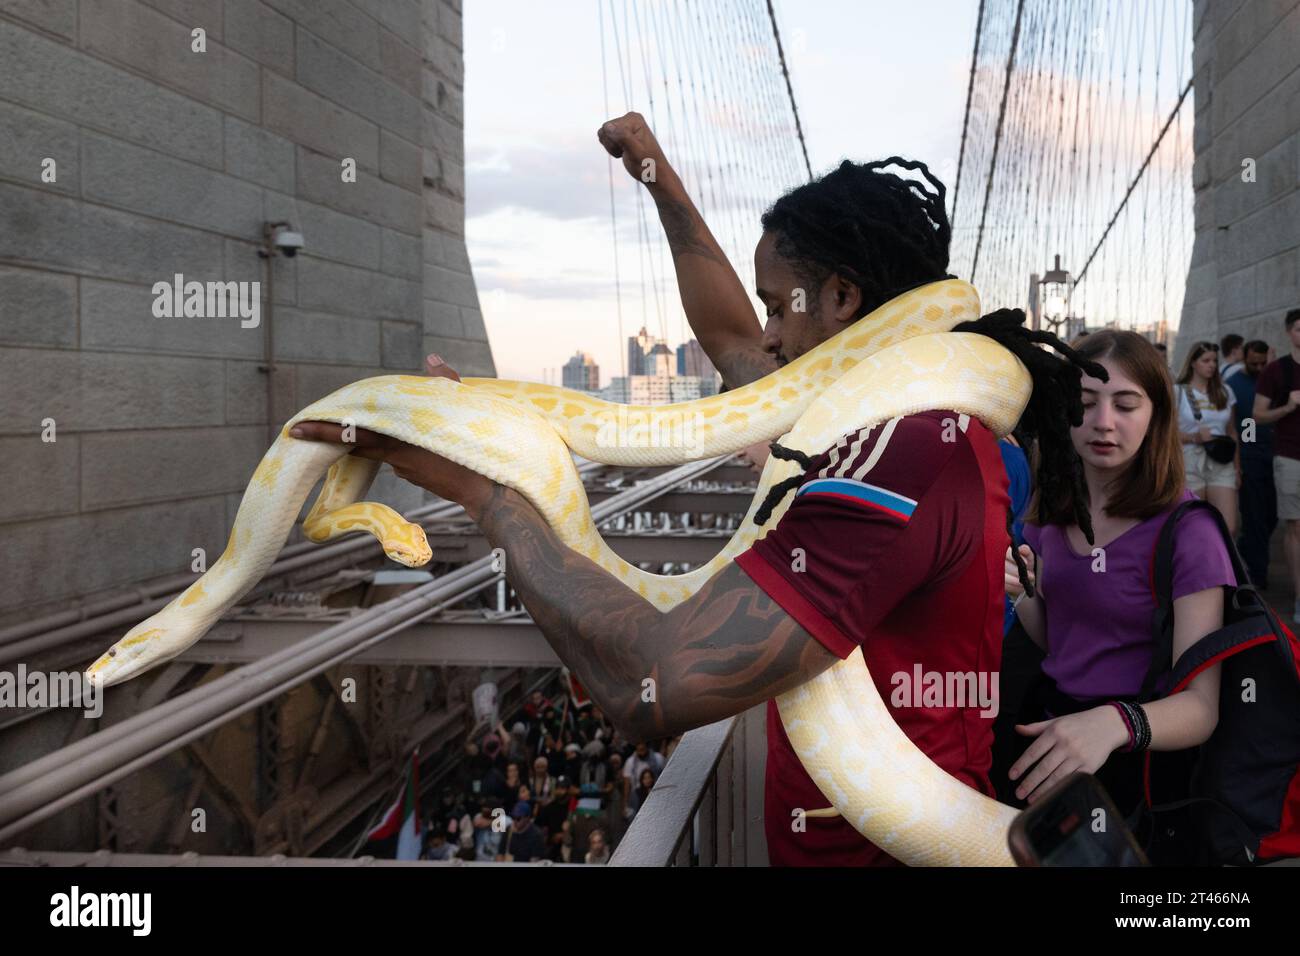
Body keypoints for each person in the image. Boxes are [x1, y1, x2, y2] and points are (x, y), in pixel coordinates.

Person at [289, 112, 1102, 865]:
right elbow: (729, 341)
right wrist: (659, 179)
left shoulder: (905, 453)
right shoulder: (844, 418)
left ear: (846, 298)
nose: (770, 334)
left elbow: (659, 683)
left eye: (779, 304)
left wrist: (490, 495)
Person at [1008, 330, 1234, 817]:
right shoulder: (1049, 513)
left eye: (1126, 404)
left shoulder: (1189, 532)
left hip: (1139, 759)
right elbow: (1062, 644)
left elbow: (1201, 707)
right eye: (1085, 402)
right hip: (1047, 732)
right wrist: (1022, 593)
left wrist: (1111, 725)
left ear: (1156, 416)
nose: (1103, 423)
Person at [1251, 308, 1300, 622]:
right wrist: (1289, 406)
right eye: (1299, 328)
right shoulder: (1276, 371)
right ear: (1288, 332)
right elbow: (1256, 417)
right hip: (1290, 456)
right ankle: (1299, 598)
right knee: (1295, 527)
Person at [1174, 341, 1240, 536]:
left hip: (1222, 460)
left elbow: (1234, 430)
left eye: (1214, 361)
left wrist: (1238, 467)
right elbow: (1164, 432)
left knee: (1228, 527)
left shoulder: (1225, 391)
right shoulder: (1177, 392)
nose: (1211, 365)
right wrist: (1194, 437)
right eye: (1206, 360)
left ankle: (1221, 563)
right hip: (1189, 460)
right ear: (1193, 362)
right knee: (1191, 525)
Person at [1226, 340, 1275, 587]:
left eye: (1263, 363)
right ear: (1244, 358)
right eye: (1254, 362)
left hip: (1274, 455)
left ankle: (1247, 552)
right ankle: (1257, 573)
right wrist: (1241, 459)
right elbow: (1240, 425)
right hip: (1250, 456)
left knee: (1271, 516)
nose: (1258, 367)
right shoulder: (1234, 385)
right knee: (1254, 517)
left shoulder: (1272, 379)